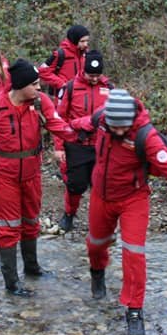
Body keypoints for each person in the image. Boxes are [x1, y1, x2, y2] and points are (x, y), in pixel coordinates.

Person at [72, 89, 167, 335]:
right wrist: (59, 125)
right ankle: (97, 273)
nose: (119, 131)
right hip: (101, 196)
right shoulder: (101, 119)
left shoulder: (146, 137)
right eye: (114, 126)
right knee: (95, 244)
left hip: (134, 198)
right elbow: (80, 124)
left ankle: (134, 311)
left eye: (123, 127)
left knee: (134, 253)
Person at [0, 59, 77, 297]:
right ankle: (12, 283)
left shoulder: (41, 103)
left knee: (31, 221)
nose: (39, 88)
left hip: (32, 174)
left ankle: (32, 268)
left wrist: (86, 134)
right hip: (3, 177)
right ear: (20, 85)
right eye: (34, 84)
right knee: (8, 228)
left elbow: (59, 126)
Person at [54, 50, 112, 232]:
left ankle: (101, 220)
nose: (94, 79)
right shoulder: (70, 87)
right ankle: (69, 214)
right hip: (76, 145)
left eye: (97, 75)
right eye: (90, 75)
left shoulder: (110, 88)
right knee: (75, 185)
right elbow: (59, 119)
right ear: (83, 71)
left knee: (101, 186)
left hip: (101, 146)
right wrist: (59, 147)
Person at [38, 24, 90, 96]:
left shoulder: (86, 54)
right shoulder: (60, 54)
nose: (85, 44)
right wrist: (62, 84)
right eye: (82, 41)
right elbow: (42, 71)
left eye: (87, 41)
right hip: (62, 96)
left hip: (80, 95)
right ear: (74, 40)